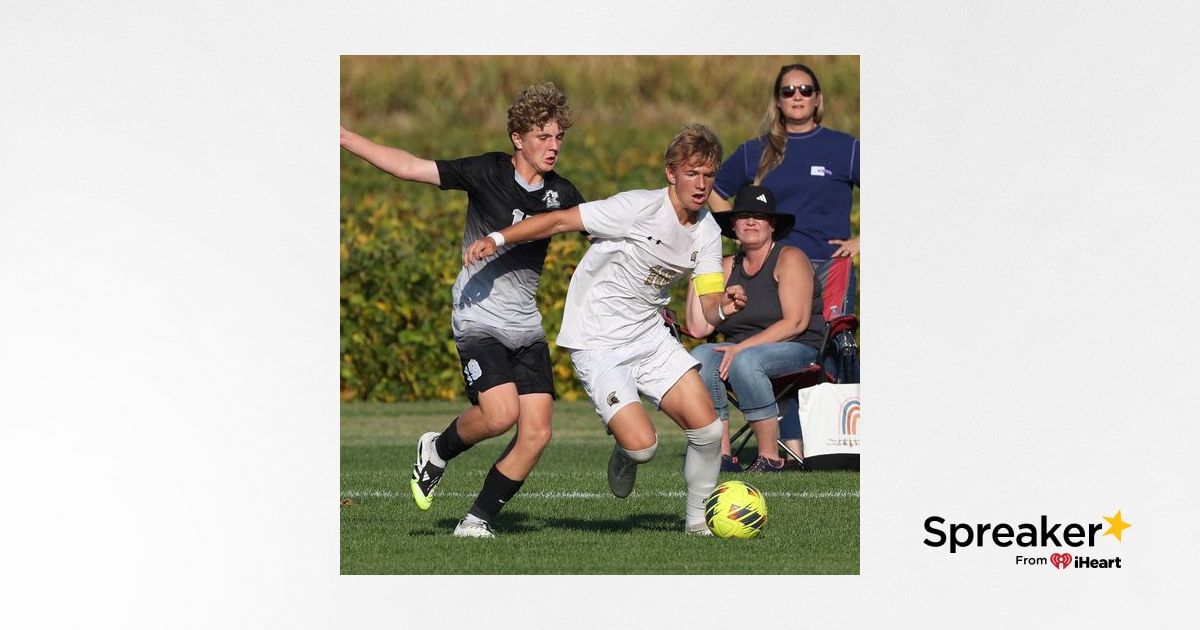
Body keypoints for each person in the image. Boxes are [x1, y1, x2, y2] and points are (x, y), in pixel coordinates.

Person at [464, 124, 746, 535]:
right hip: (598, 341)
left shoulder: (707, 231)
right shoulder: (636, 207)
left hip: (649, 336)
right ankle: (628, 451)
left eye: (708, 175)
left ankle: (698, 523)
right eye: (691, 173)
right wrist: (497, 237)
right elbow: (559, 220)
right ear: (671, 173)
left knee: (708, 429)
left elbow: (709, 305)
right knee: (644, 447)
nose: (701, 184)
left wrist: (724, 306)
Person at [339, 82, 585, 538]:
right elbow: (410, 167)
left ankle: (475, 522)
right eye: (543, 137)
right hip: (478, 316)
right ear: (517, 138)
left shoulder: (563, 193)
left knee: (537, 433)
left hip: (524, 325)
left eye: (558, 137)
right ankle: (437, 449)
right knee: (499, 414)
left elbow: (606, 233)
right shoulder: (486, 171)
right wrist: (344, 136)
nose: (553, 146)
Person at [685, 185, 824, 472]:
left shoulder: (790, 258)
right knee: (701, 357)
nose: (750, 222)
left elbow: (795, 322)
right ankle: (721, 456)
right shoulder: (726, 266)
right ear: (733, 226)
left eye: (759, 217)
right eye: (743, 216)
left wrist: (740, 349)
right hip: (740, 349)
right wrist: (697, 266)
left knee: (746, 361)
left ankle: (770, 457)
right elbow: (699, 328)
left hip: (797, 347)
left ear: (772, 225)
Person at [709, 62, 859, 318]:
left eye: (805, 90)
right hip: (771, 267)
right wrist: (739, 234)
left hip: (828, 265)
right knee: (774, 337)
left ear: (817, 98)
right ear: (778, 101)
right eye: (788, 91)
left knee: (830, 339)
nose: (797, 96)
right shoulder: (755, 150)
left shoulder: (845, 148)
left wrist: (861, 241)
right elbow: (714, 189)